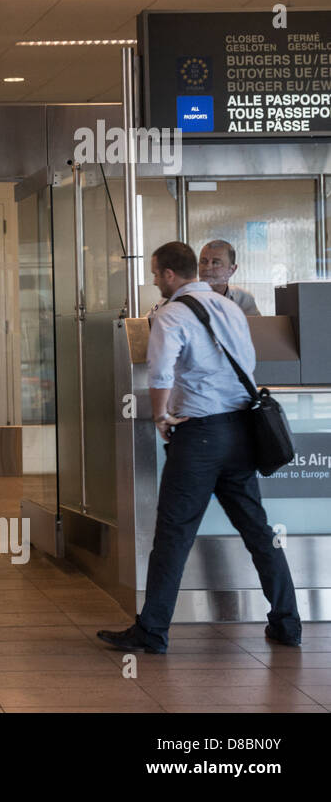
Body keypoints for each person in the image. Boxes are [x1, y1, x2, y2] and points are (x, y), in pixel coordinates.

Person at [98, 242, 301, 655]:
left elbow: (161, 374)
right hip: (241, 432)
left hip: (200, 436)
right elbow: (247, 362)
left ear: (171, 275)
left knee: (174, 534)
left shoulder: (171, 315)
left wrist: (161, 418)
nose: (154, 280)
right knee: (259, 532)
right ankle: (287, 623)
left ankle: (152, 631)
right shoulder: (231, 309)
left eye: (156, 273)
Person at [199, 239, 260, 316]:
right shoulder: (187, 298)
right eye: (203, 261)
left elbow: (257, 327)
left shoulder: (243, 299)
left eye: (216, 263)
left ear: (232, 270)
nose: (207, 267)